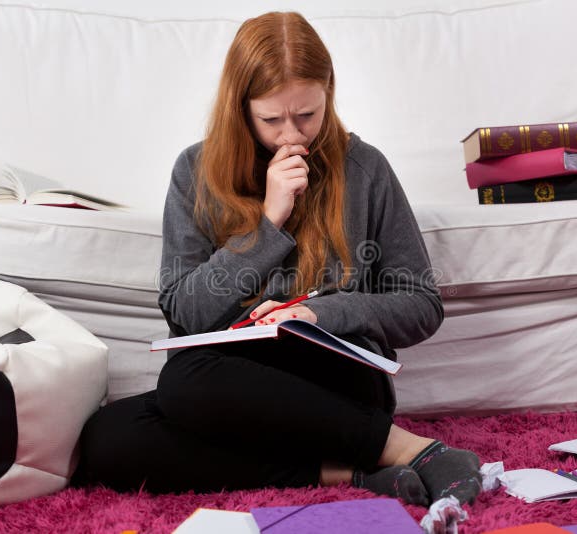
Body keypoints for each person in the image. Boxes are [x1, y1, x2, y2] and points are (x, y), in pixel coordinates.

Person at [74, 11, 482, 507]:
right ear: (240, 108)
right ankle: (344, 474)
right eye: (271, 119)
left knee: (185, 382)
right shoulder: (194, 171)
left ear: (328, 93)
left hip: (338, 380)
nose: (292, 136)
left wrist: (319, 314)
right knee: (108, 439)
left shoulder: (365, 168)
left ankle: (412, 449)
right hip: (234, 384)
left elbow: (421, 304)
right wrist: (268, 226)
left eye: (308, 115)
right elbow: (183, 314)